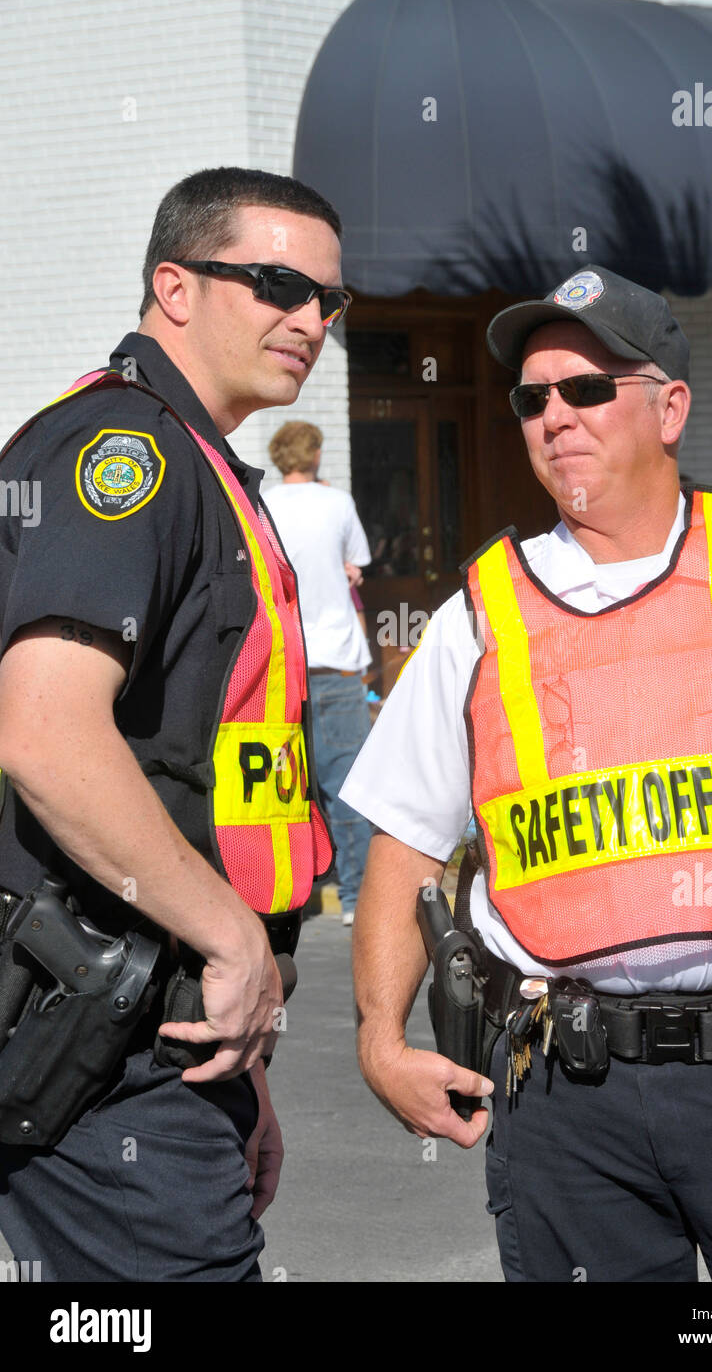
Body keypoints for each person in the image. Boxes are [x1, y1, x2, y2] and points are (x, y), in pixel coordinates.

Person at [343, 264, 712, 1282]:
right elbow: (403, 840)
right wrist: (377, 1036)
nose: (552, 416)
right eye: (530, 397)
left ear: (669, 406)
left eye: (586, 388)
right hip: (560, 1094)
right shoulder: (475, 615)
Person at [0, 166, 347, 1281]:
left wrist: (239, 1076)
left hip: (163, 1039)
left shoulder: (209, 468)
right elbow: (47, 731)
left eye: (329, 302)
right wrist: (230, 936)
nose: (310, 320)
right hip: (94, 1037)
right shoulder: (129, 452)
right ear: (175, 285)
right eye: (276, 284)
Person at [264, 421, 373, 926]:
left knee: (285, 788)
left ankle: (290, 894)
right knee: (345, 782)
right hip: (334, 661)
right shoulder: (337, 503)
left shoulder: (262, 504)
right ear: (315, 455)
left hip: (279, 666)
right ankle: (354, 899)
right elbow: (357, 566)